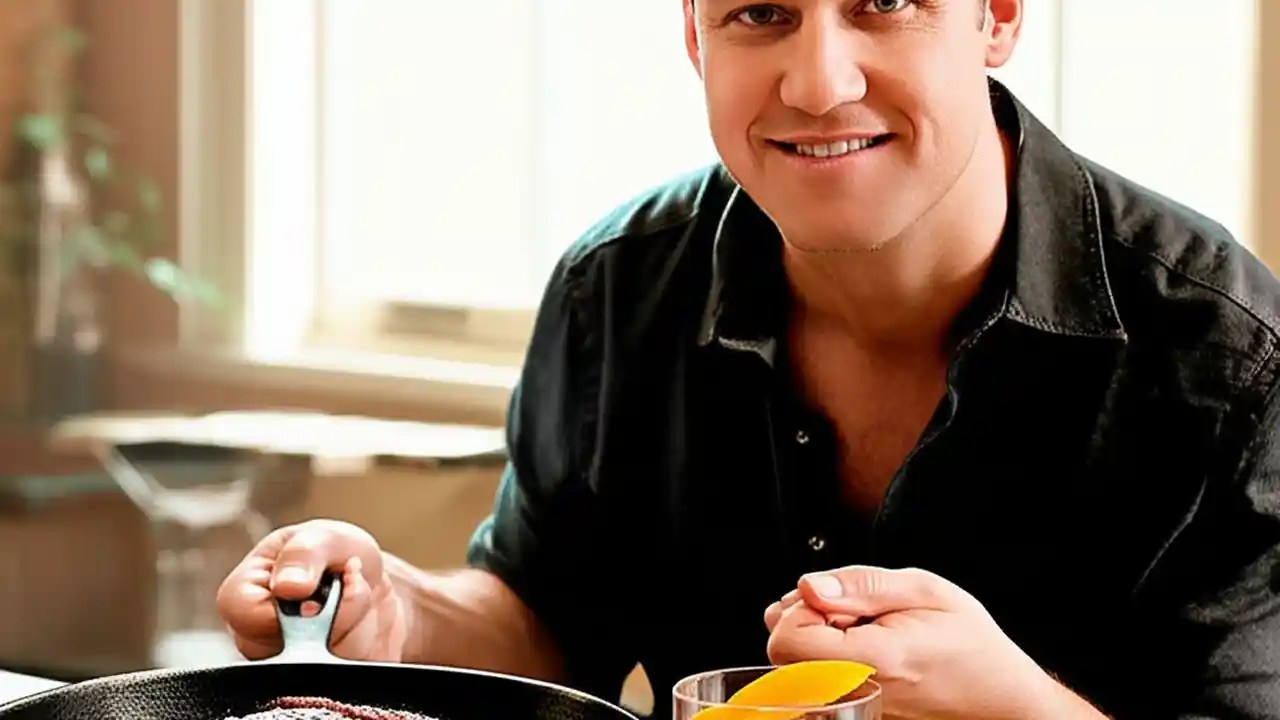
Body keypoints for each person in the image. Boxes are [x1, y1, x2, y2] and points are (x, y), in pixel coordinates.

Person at [217, 0, 1280, 717]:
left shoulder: (1232, 356)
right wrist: (398, 609)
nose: (816, 82)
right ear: (694, 33)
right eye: (761, 13)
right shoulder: (613, 287)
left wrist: (1016, 710)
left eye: (883, 1)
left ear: (995, 15)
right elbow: (544, 618)